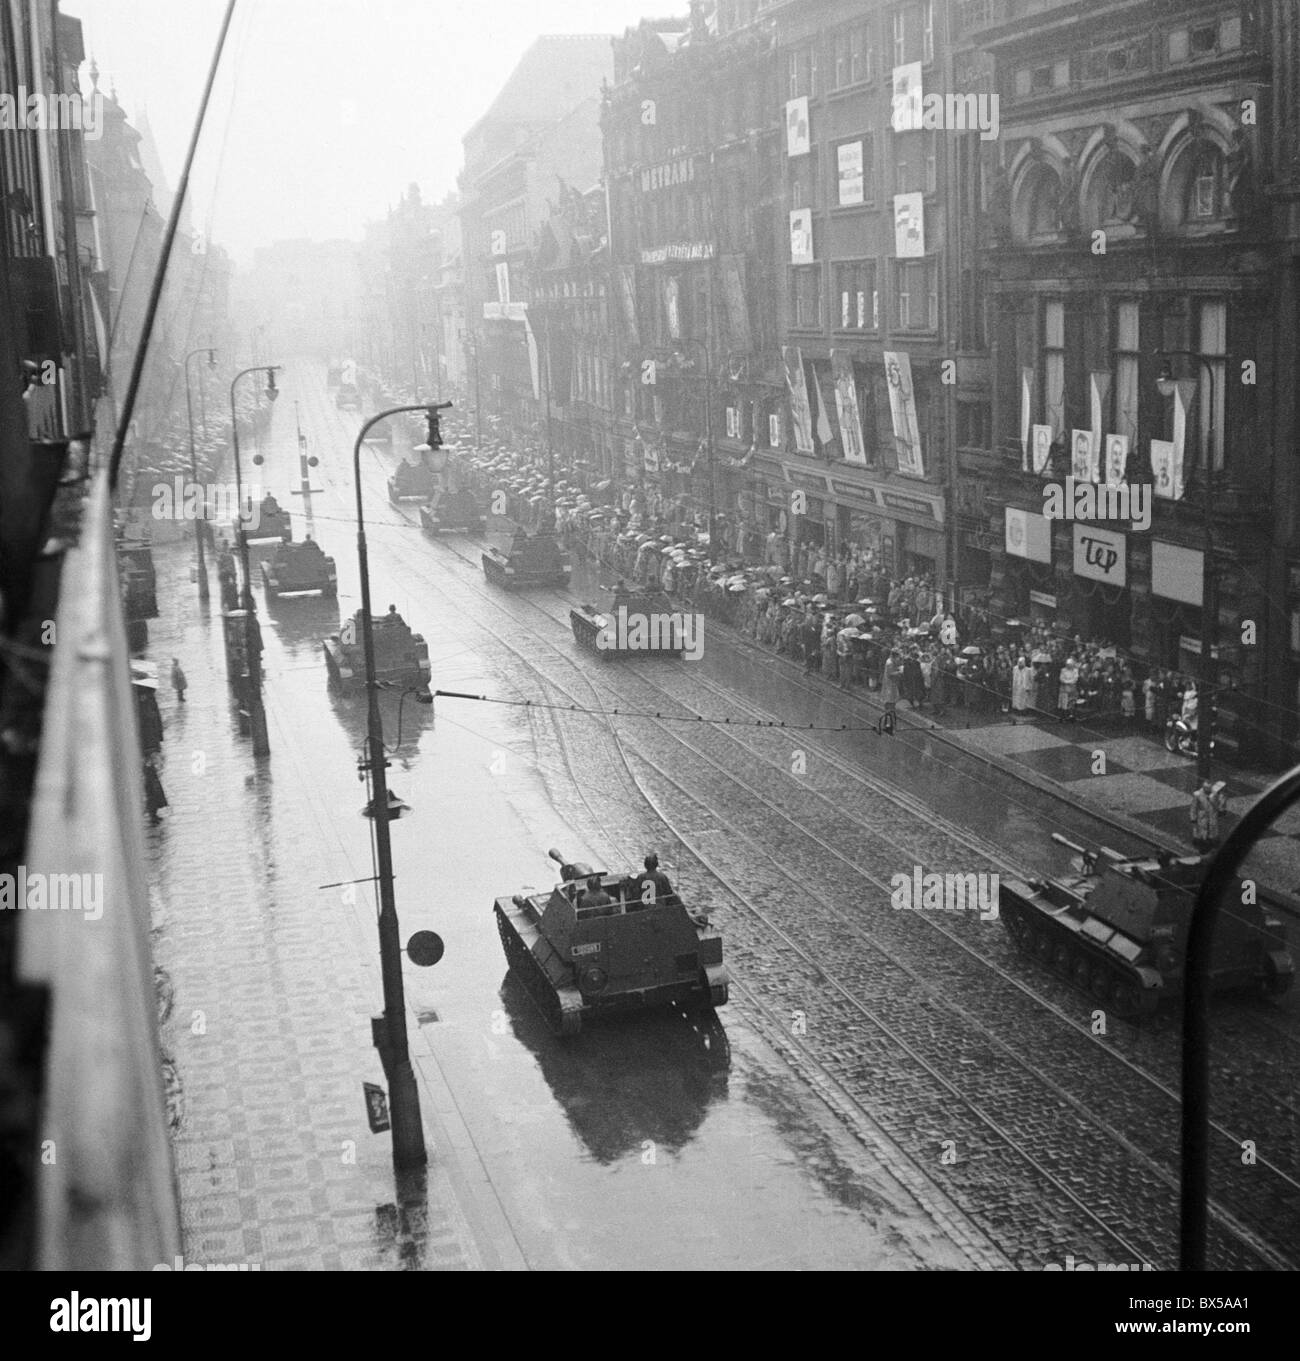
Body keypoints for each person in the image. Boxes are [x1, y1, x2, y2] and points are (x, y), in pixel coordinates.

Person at [1189, 780, 1228, 853]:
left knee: (1212, 830)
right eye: (1206, 789)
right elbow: (1193, 807)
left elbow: (1220, 801)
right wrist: (1193, 818)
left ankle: (1212, 844)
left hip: (1212, 815)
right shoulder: (1198, 795)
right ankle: (1202, 845)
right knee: (1202, 830)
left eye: (1209, 789)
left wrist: (1221, 809)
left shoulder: (1215, 793)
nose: (1208, 791)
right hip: (1202, 816)